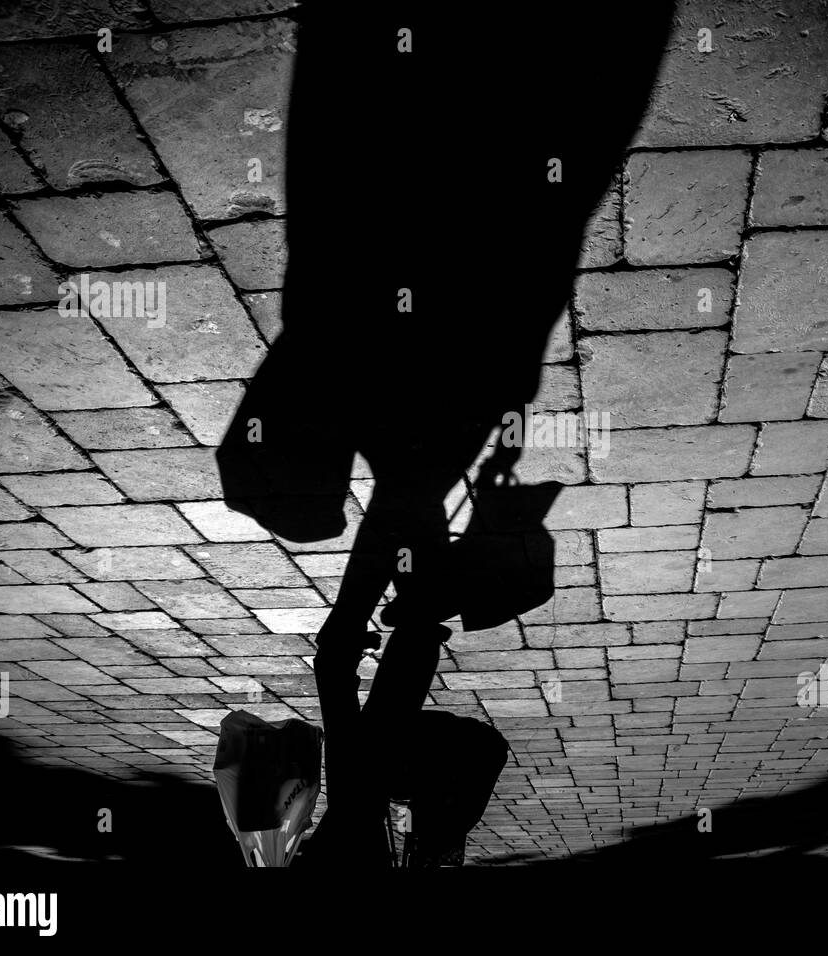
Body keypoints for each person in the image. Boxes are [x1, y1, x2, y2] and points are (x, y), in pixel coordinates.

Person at [217, 1, 674, 866]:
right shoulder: (362, 792)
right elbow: (337, 665)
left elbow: (367, 669)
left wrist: (387, 624)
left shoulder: (389, 809)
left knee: (514, 239)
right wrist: (361, 622)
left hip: (426, 491)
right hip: (408, 497)